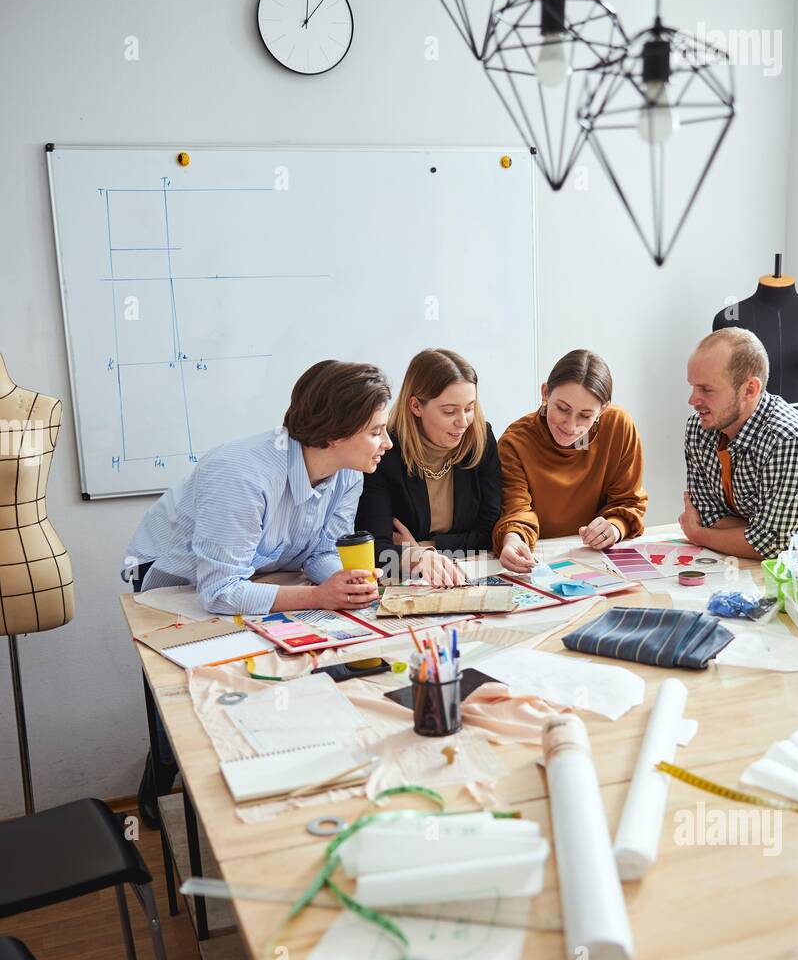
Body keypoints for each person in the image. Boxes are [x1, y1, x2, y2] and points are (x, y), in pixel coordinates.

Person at [122, 359, 392, 824]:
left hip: (259, 572)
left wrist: (345, 583)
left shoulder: (349, 471)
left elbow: (323, 550)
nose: (387, 443)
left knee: (293, 661)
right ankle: (165, 767)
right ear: (333, 434)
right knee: (205, 688)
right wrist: (318, 596)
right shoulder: (241, 474)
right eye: (376, 432)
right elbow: (221, 590)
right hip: (172, 584)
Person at [681, 327, 798, 559]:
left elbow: (773, 545)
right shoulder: (699, 428)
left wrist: (697, 534)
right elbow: (707, 513)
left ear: (750, 390)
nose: (693, 400)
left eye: (706, 389)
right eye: (693, 386)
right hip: (749, 562)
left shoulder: (791, 439)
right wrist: (754, 534)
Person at [356, 347, 501, 587]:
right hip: (410, 584)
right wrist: (416, 559)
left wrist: (424, 549)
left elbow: (490, 532)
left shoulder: (481, 439)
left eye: (469, 408)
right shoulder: (384, 453)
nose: (463, 421)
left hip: (468, 572)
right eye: (449, 411)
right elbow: (374, 552)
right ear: (416, 406)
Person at [494, 349, 647, 573]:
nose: (571, 426)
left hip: (596, 560)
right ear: (545, 393)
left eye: (585, 416)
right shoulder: (515, 441)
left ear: (602, 410)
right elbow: (516, 510)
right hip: (537, 560)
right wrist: (513, 539)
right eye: (563, 409)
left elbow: (628, 501)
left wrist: (614, 527)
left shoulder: (618, 426)